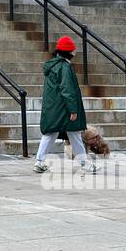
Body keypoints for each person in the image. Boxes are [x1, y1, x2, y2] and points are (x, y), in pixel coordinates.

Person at [34, 35, 88, 174]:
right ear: (68, 52)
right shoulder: (64, 68)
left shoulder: (52, 66)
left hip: (53, 107)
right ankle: (84, 163)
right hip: (63, 108)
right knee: (75, 133)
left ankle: (39, 162)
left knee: (50, 133)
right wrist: (73, 109)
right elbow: (67, 89)